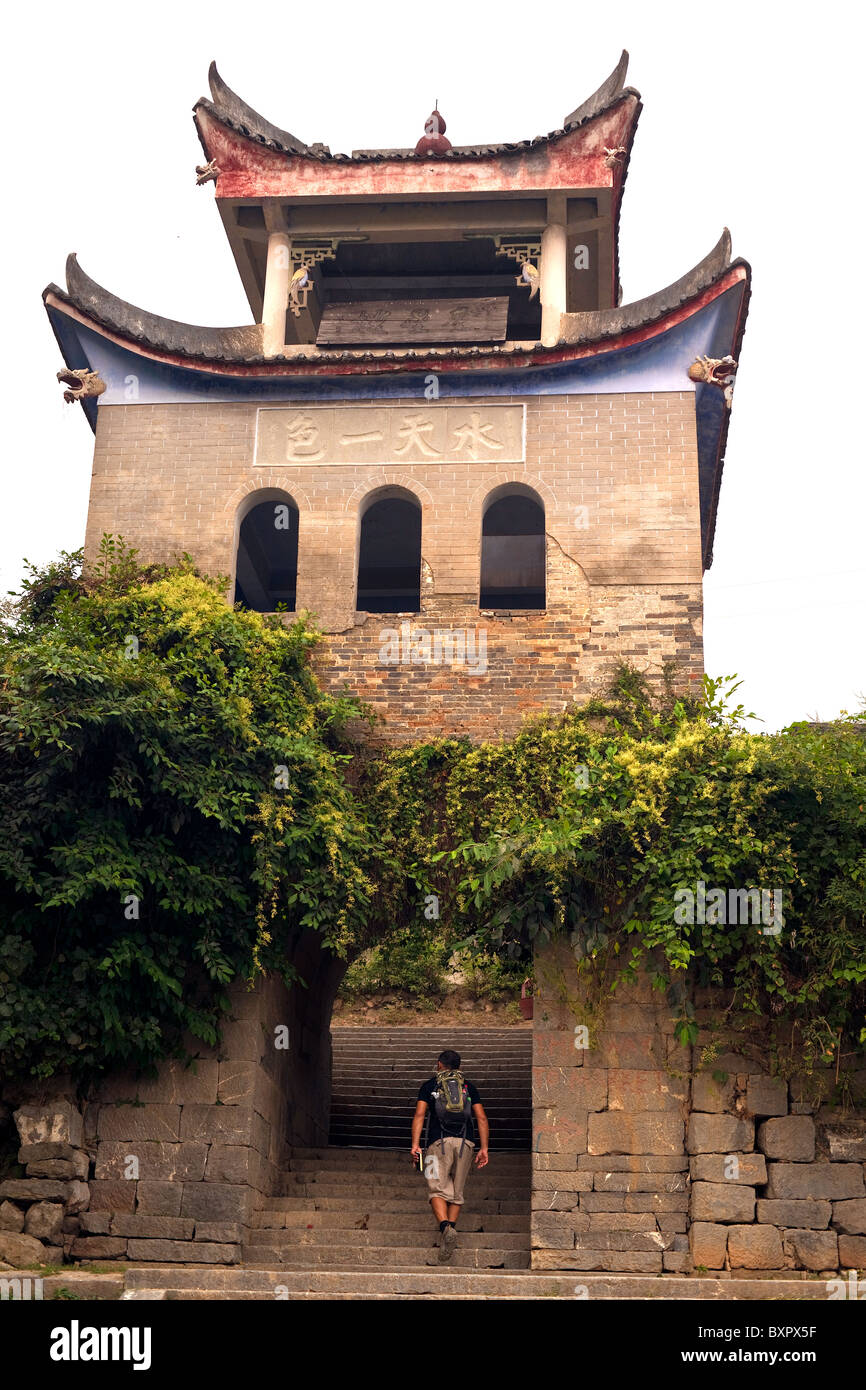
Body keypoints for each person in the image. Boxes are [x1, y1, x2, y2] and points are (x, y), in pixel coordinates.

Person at [410, 1049, 490, 1263]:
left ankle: (445, 1228)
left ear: (439, 1064)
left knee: (435, 1187)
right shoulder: (468, 1087)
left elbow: (419, 1115)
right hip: (466, 1143)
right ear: (459, 1066)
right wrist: (484, 1148)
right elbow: (481, 1118)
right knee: (457, 1190)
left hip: (436, 1143)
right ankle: (450, 1231)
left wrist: (416, 1145)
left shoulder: (429, 1086)